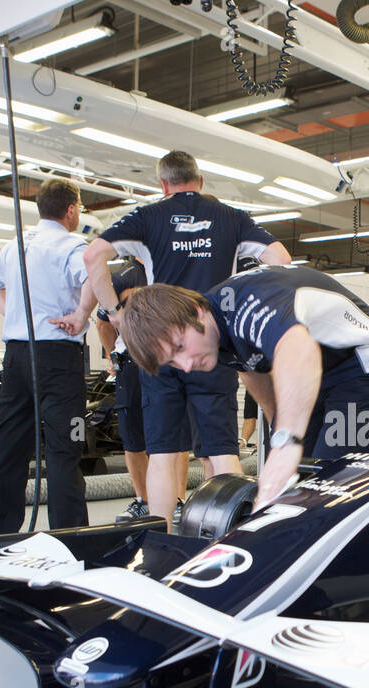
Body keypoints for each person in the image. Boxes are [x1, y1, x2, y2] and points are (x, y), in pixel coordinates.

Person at [70, 151, 290, 529]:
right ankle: (230, 540)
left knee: (163, 451)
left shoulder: (148, 217)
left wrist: (116, 314)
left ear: (163, 184)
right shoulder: (230, 218)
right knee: (221, 450)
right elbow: (281, 260)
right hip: (211, 346)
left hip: (160, 346)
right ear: (200, 181)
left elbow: (93, 256)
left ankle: (160, 541)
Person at [116, 265, 369, 508]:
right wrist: (277, 427)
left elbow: (299, 350)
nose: (186, 366)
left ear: (197, 312)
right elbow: (251, 371)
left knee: (330, 473)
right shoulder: (217, 333)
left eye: (180, 346)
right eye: (173, 362)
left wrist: (286, 442)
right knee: (296, 472)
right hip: (315, 368)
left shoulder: (246, 309)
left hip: (360, 361)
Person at [0, 177, 90, 536]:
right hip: (57, 355)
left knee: (6, 446)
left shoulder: (16, 245)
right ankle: (69, 537)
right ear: (71, 210)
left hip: (17, 356)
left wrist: (17, 315)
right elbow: (93, 278)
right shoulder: (73, 244)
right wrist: (81, 315)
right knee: (64, 449)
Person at [95, 250, 153, 522]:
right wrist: (112, 356)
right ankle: (143, 499)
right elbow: (102, 324)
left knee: (171, 437)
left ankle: (175, 499)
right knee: (133, 437)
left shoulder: (168, 268)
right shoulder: (123, 278)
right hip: (131, 362)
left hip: (166, 360)